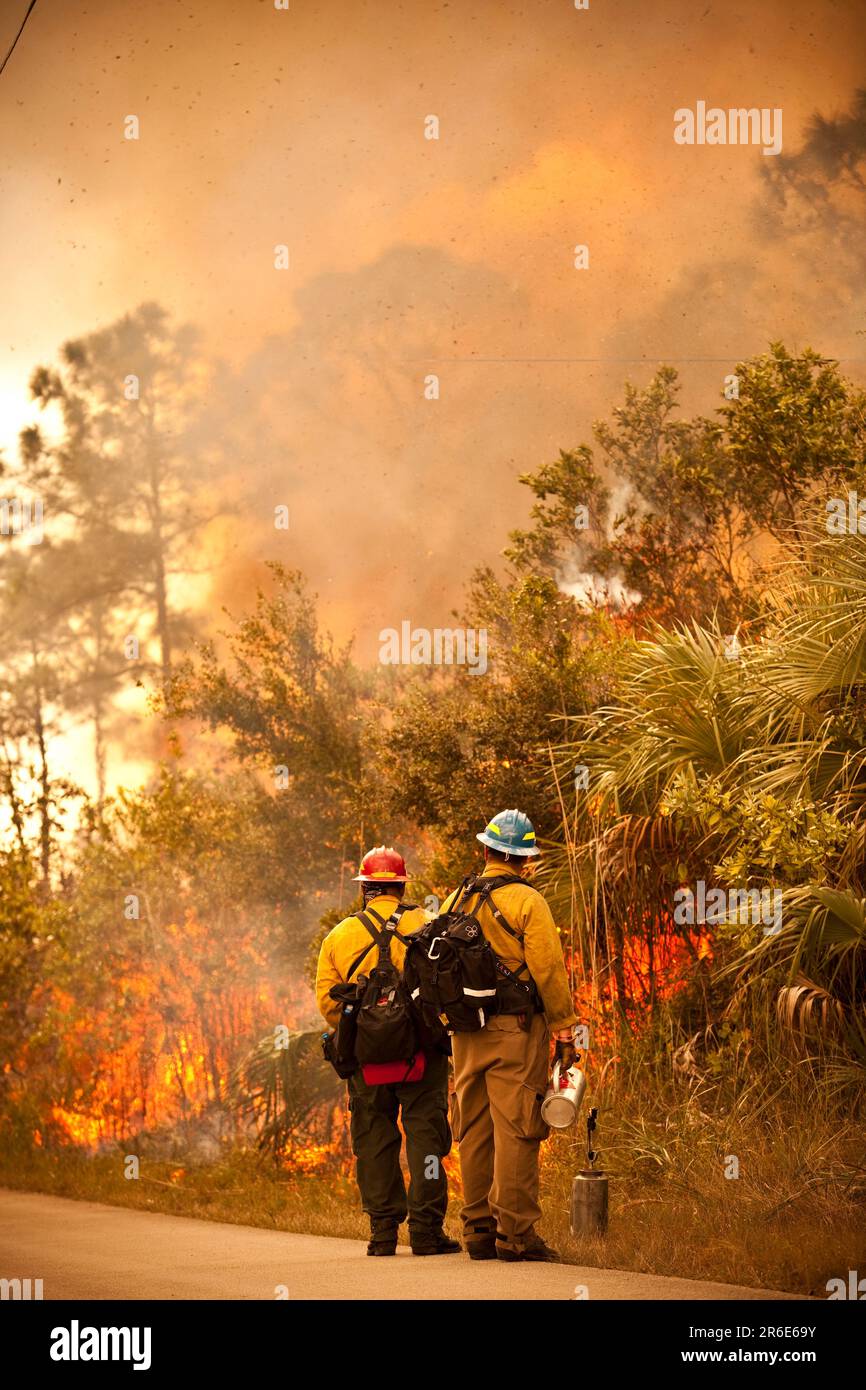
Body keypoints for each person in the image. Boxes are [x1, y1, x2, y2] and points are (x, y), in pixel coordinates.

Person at [442, 809, 577, 1263]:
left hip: (464, 1033)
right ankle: (515, 1235)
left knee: (474, 1128)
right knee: (517, 1127)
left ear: (485, 851)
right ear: (525, 860)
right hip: (514, 1031)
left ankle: (477, 1229)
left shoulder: (454, 899)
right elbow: (548, 969)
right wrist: (564, 1028)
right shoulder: (527, 901)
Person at [316, 845, 459, 1257]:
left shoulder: (339, 936)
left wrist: (368, 1032)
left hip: (366, 1062)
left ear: (365, 889)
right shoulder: (430, 925)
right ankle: (427, 1233)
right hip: (423, 1058)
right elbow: (446, 990)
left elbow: (328, 1005)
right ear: (400, 886)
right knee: (425, 1140)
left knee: (375, 1140)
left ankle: (382, 1234)